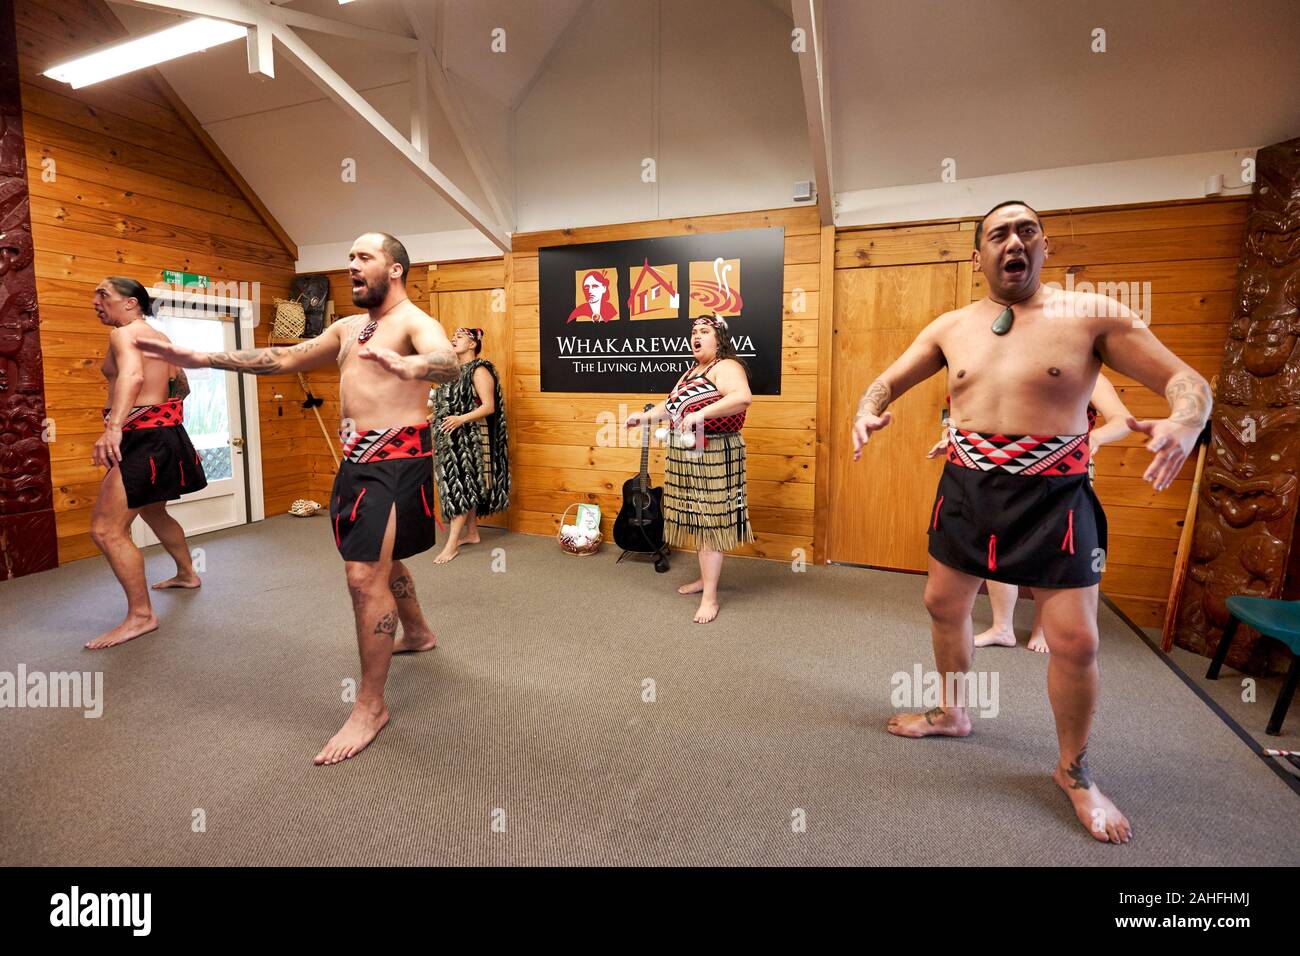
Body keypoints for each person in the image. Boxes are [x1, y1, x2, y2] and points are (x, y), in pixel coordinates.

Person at [852, 200, 1211, 844]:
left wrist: (1186, 421)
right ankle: (952, 713)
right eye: (997, 233)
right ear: (978, 255)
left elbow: (1186, 379)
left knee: (1077, 641)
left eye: (1026, 230)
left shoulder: (1092, 317)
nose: (1013, 240)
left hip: (1054, 498)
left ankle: (1073, 771)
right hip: (966, 488)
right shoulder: (951, 326)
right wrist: (867, 409)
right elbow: (884, 383)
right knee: (941, 603)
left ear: (1043, 244)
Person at [139, 233, 460, 766]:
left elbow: (446, 359)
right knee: (388, 555)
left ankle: (370, 706)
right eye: (349, 255)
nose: (351, 264)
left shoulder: (414, 322)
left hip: (397, 463)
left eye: (364, 257)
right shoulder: (348, 327)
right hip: (358, 462)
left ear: (396, 269)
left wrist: (417, 368)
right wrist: (200, 355)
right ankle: (420, 632)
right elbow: (282, 358)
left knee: (363, 579)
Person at [926, 374, 1133, 652]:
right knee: (995, 544)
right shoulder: (1008, 365)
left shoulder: (1087, 372)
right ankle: (1002, 627)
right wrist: (959, 442)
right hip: (1000, 473)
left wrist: (1095, 436)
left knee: (1049, 549)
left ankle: (1042, 628)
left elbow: (1123, 421)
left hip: (1062, 478)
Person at [86, 276, 208, 650]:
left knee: (106, 530)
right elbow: (181, 384)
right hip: (165, 433)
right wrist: (164, 422)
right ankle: (188, 573)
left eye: (103, 294)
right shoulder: (161, 338)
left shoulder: (124, 334)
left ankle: (141, 616)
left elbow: (133, 376)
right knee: (155, 511)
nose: (95, 301)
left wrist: (115, 429)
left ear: (131, 303)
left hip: (142, 436)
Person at [625, 314, 753, 623]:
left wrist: (701, 415)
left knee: (710, 523)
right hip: (687, 451)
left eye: (704, 331)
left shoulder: (727, 367)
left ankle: (710, 598)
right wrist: (642, 418)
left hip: (715, 451)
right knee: (697, 518)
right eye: (694, 331)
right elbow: (670, 407)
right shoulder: (691, 372)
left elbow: (742, 398)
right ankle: (704, 581)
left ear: (719, 338)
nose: (696, 335)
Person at [432, 327, 510, 564]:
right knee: (468, 484)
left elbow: (488, 407)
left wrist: (460, 419)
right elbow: (448, 406)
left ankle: (451, 545)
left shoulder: (479, 370)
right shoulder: (453, 372)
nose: (453, 339)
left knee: (463, 486)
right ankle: (472, 533)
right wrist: (434, 418)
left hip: (472, 438)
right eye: (453, 336)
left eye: (460, 337)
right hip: (453, 435)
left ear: (473, 344)